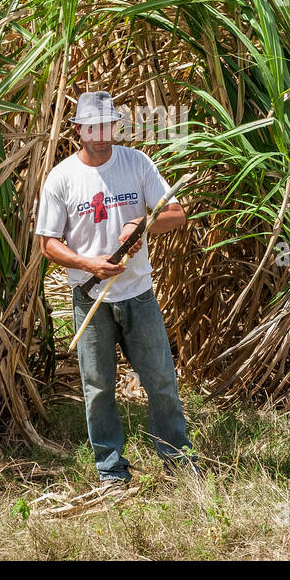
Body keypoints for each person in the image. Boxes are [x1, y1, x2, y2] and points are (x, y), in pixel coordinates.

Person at [35, 90, 203, 484]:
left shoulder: (136, 163)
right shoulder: (62, 178)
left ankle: (179, 461)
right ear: (78, 129)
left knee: (161, 381)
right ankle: (111, 470)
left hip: (138, 293)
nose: (101, 133)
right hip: (90, 294)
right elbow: (48, 244)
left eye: (107, 125)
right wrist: (87, 263)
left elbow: (175, 213)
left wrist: (143, 224)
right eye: (92, 126)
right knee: (97, 389)